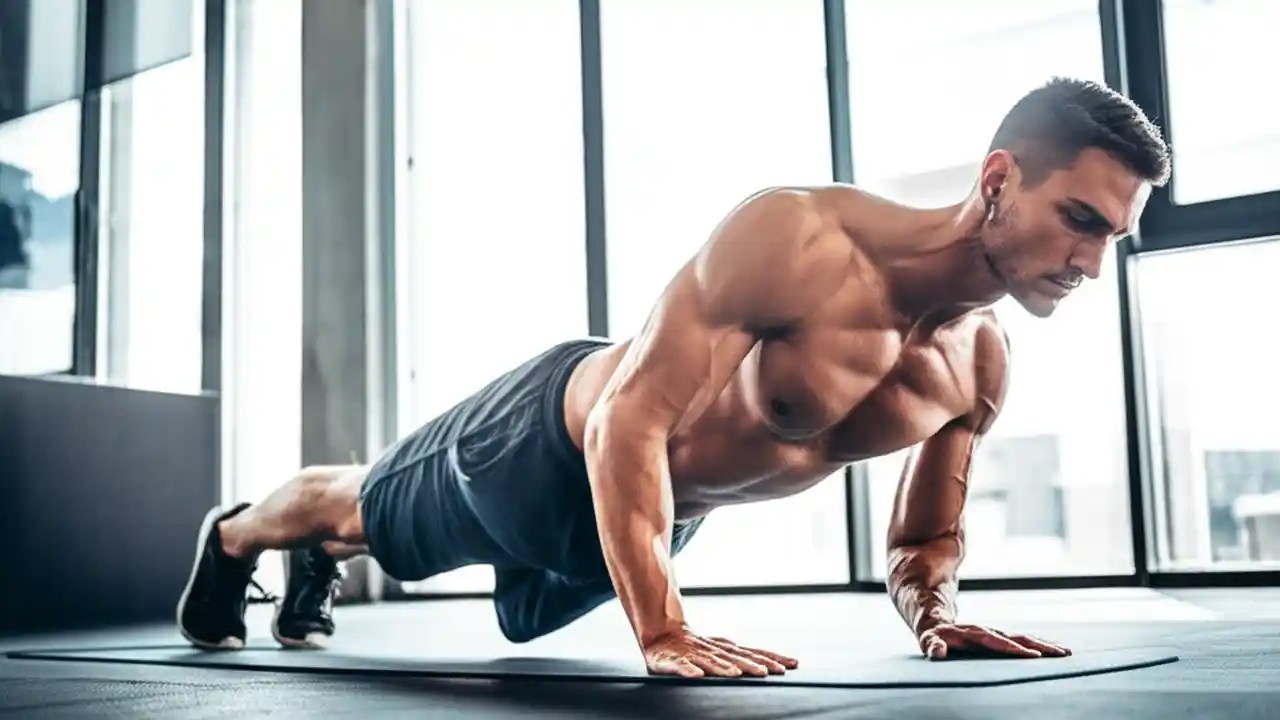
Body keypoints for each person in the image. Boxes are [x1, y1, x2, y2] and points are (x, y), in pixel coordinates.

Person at [177, 77, 1169, 678]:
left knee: (500, 615)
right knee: (365, 512)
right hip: (548, 445)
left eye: (1110, 238)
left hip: (654, 512)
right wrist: (663, 627)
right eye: (1077, 218)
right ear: (998, 180)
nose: (1089, 261)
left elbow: (921, 540)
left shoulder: (977, 364)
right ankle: (240, 538)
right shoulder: (799, 237)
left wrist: (938, 618)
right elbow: (627, 420)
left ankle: (319, 551)